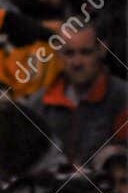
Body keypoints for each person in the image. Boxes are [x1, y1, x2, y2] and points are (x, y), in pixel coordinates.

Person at [26, 24, 128, 168]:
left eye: (86, 53)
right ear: (58, 53)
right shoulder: (39, 103)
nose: (77, 62)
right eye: (69, 53)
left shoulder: (121, 98)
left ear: (102, 50)